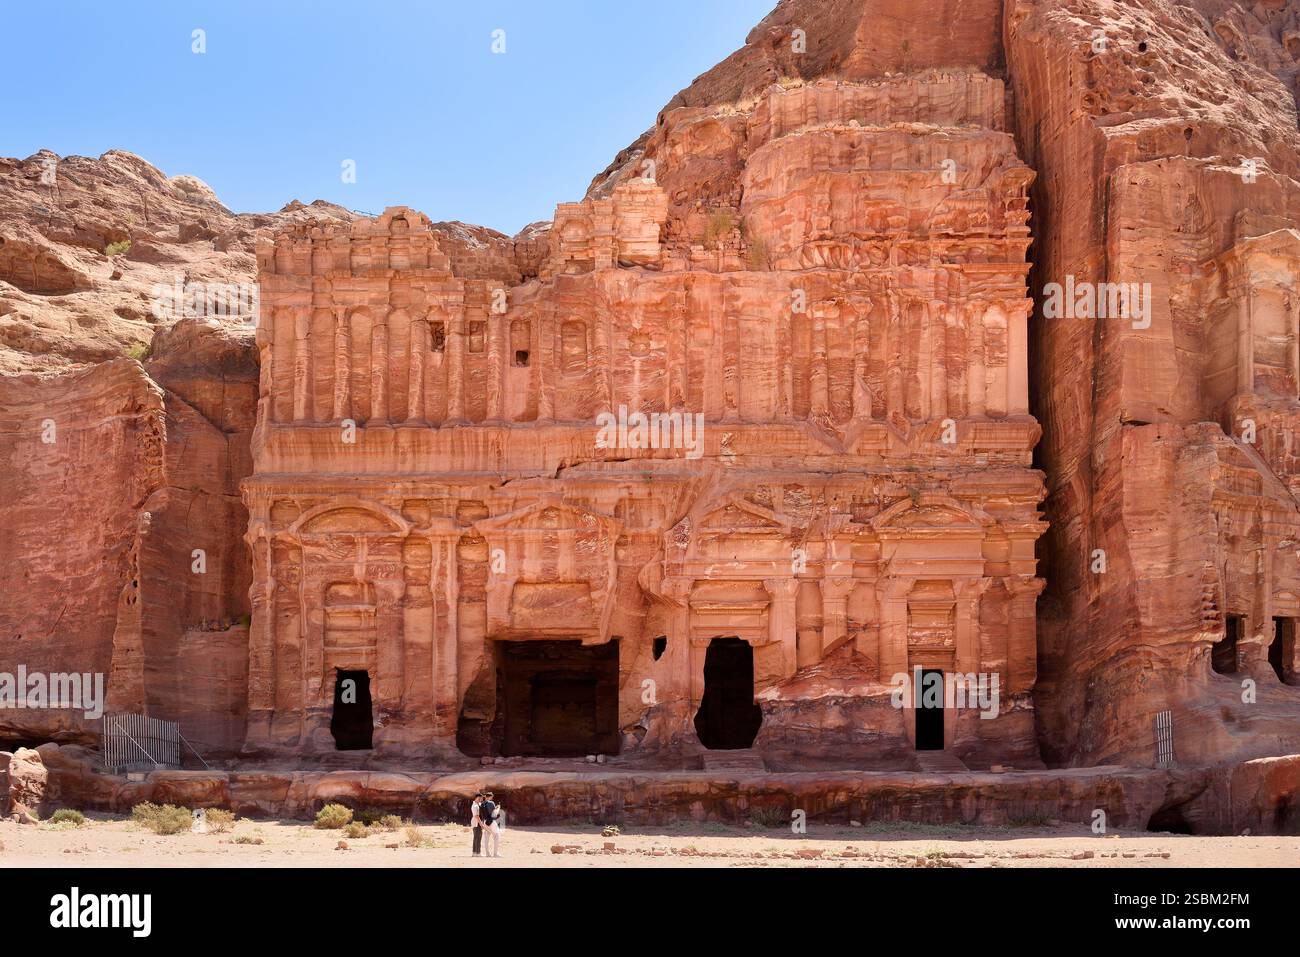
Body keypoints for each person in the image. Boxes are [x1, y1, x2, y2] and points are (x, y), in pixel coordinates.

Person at [481, 791, 500, 858]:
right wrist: (498, 808)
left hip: (485, 822)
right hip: (492, 821)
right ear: (490, 796)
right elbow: (494, 813)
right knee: (496, 836)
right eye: (492, 797)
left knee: (486, 838)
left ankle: (487, 853)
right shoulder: (491, 803)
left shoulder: (482, 803)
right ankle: (495, 853)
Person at [469, 792, 484, 857]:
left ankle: (475, 852)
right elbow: (476, 816)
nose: (482, 799)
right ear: (478, 798)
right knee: (477, 837)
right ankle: (477, 853)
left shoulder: (478, 804)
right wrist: (481, 824)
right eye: (481, 798)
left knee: (477, 837)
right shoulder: (475, 806)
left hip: (477, 822)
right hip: (476, 823)